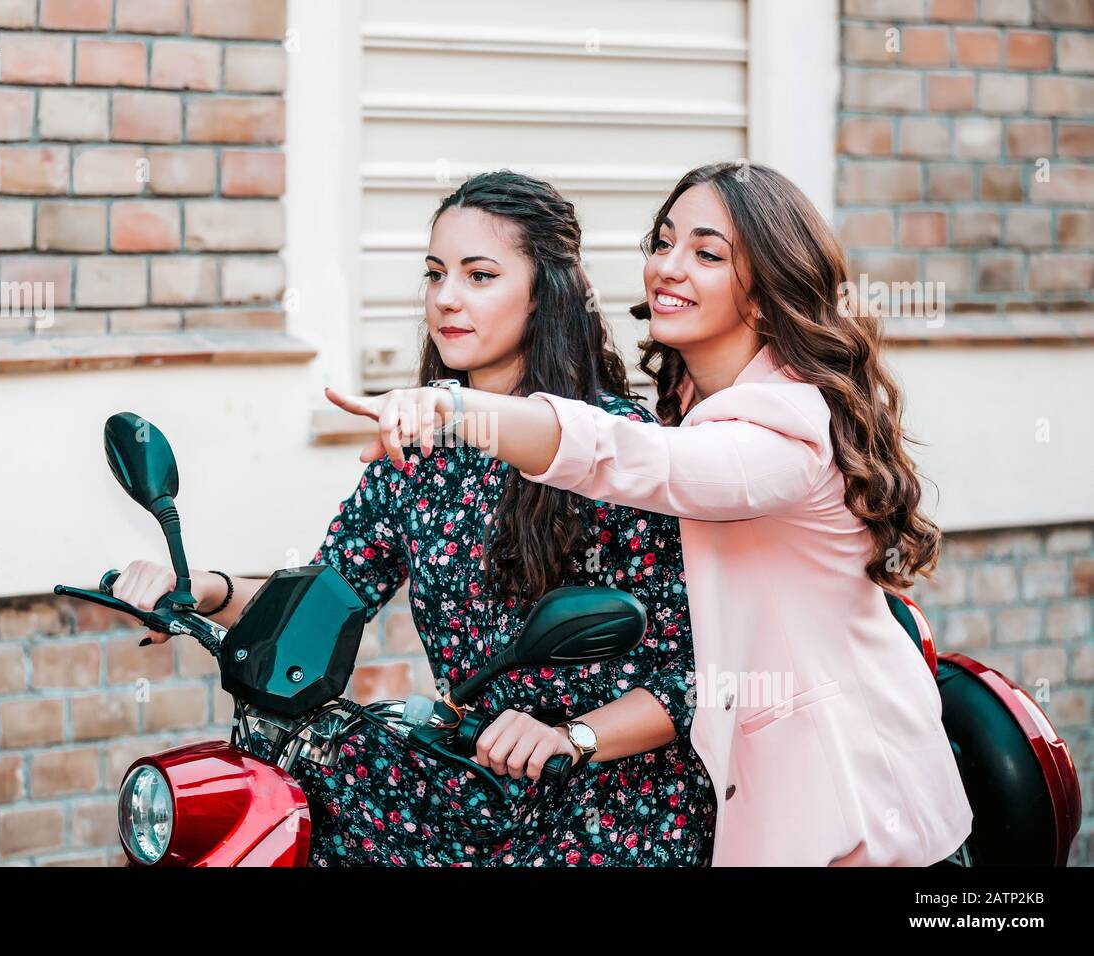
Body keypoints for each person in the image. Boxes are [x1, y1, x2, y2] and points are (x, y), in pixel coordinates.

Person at [326, 161, 975, 867]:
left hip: (853, 807)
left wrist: (453, 408)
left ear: (765, 296)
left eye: (706, 253)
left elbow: (635, 460)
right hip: (764, 805)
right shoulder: (695, 409)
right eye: (663, 243)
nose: (667, 267)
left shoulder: (786, 427)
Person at [113, 170, 715, 866]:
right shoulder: (421, 447)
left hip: (605, 800)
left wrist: (570, 736)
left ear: (545, 295)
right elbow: (326, 597)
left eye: (479, 275)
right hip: (476, 778)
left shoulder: (613, 446)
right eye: (435, 274)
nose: (446, 298)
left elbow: (693, 675)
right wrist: (200, 588)